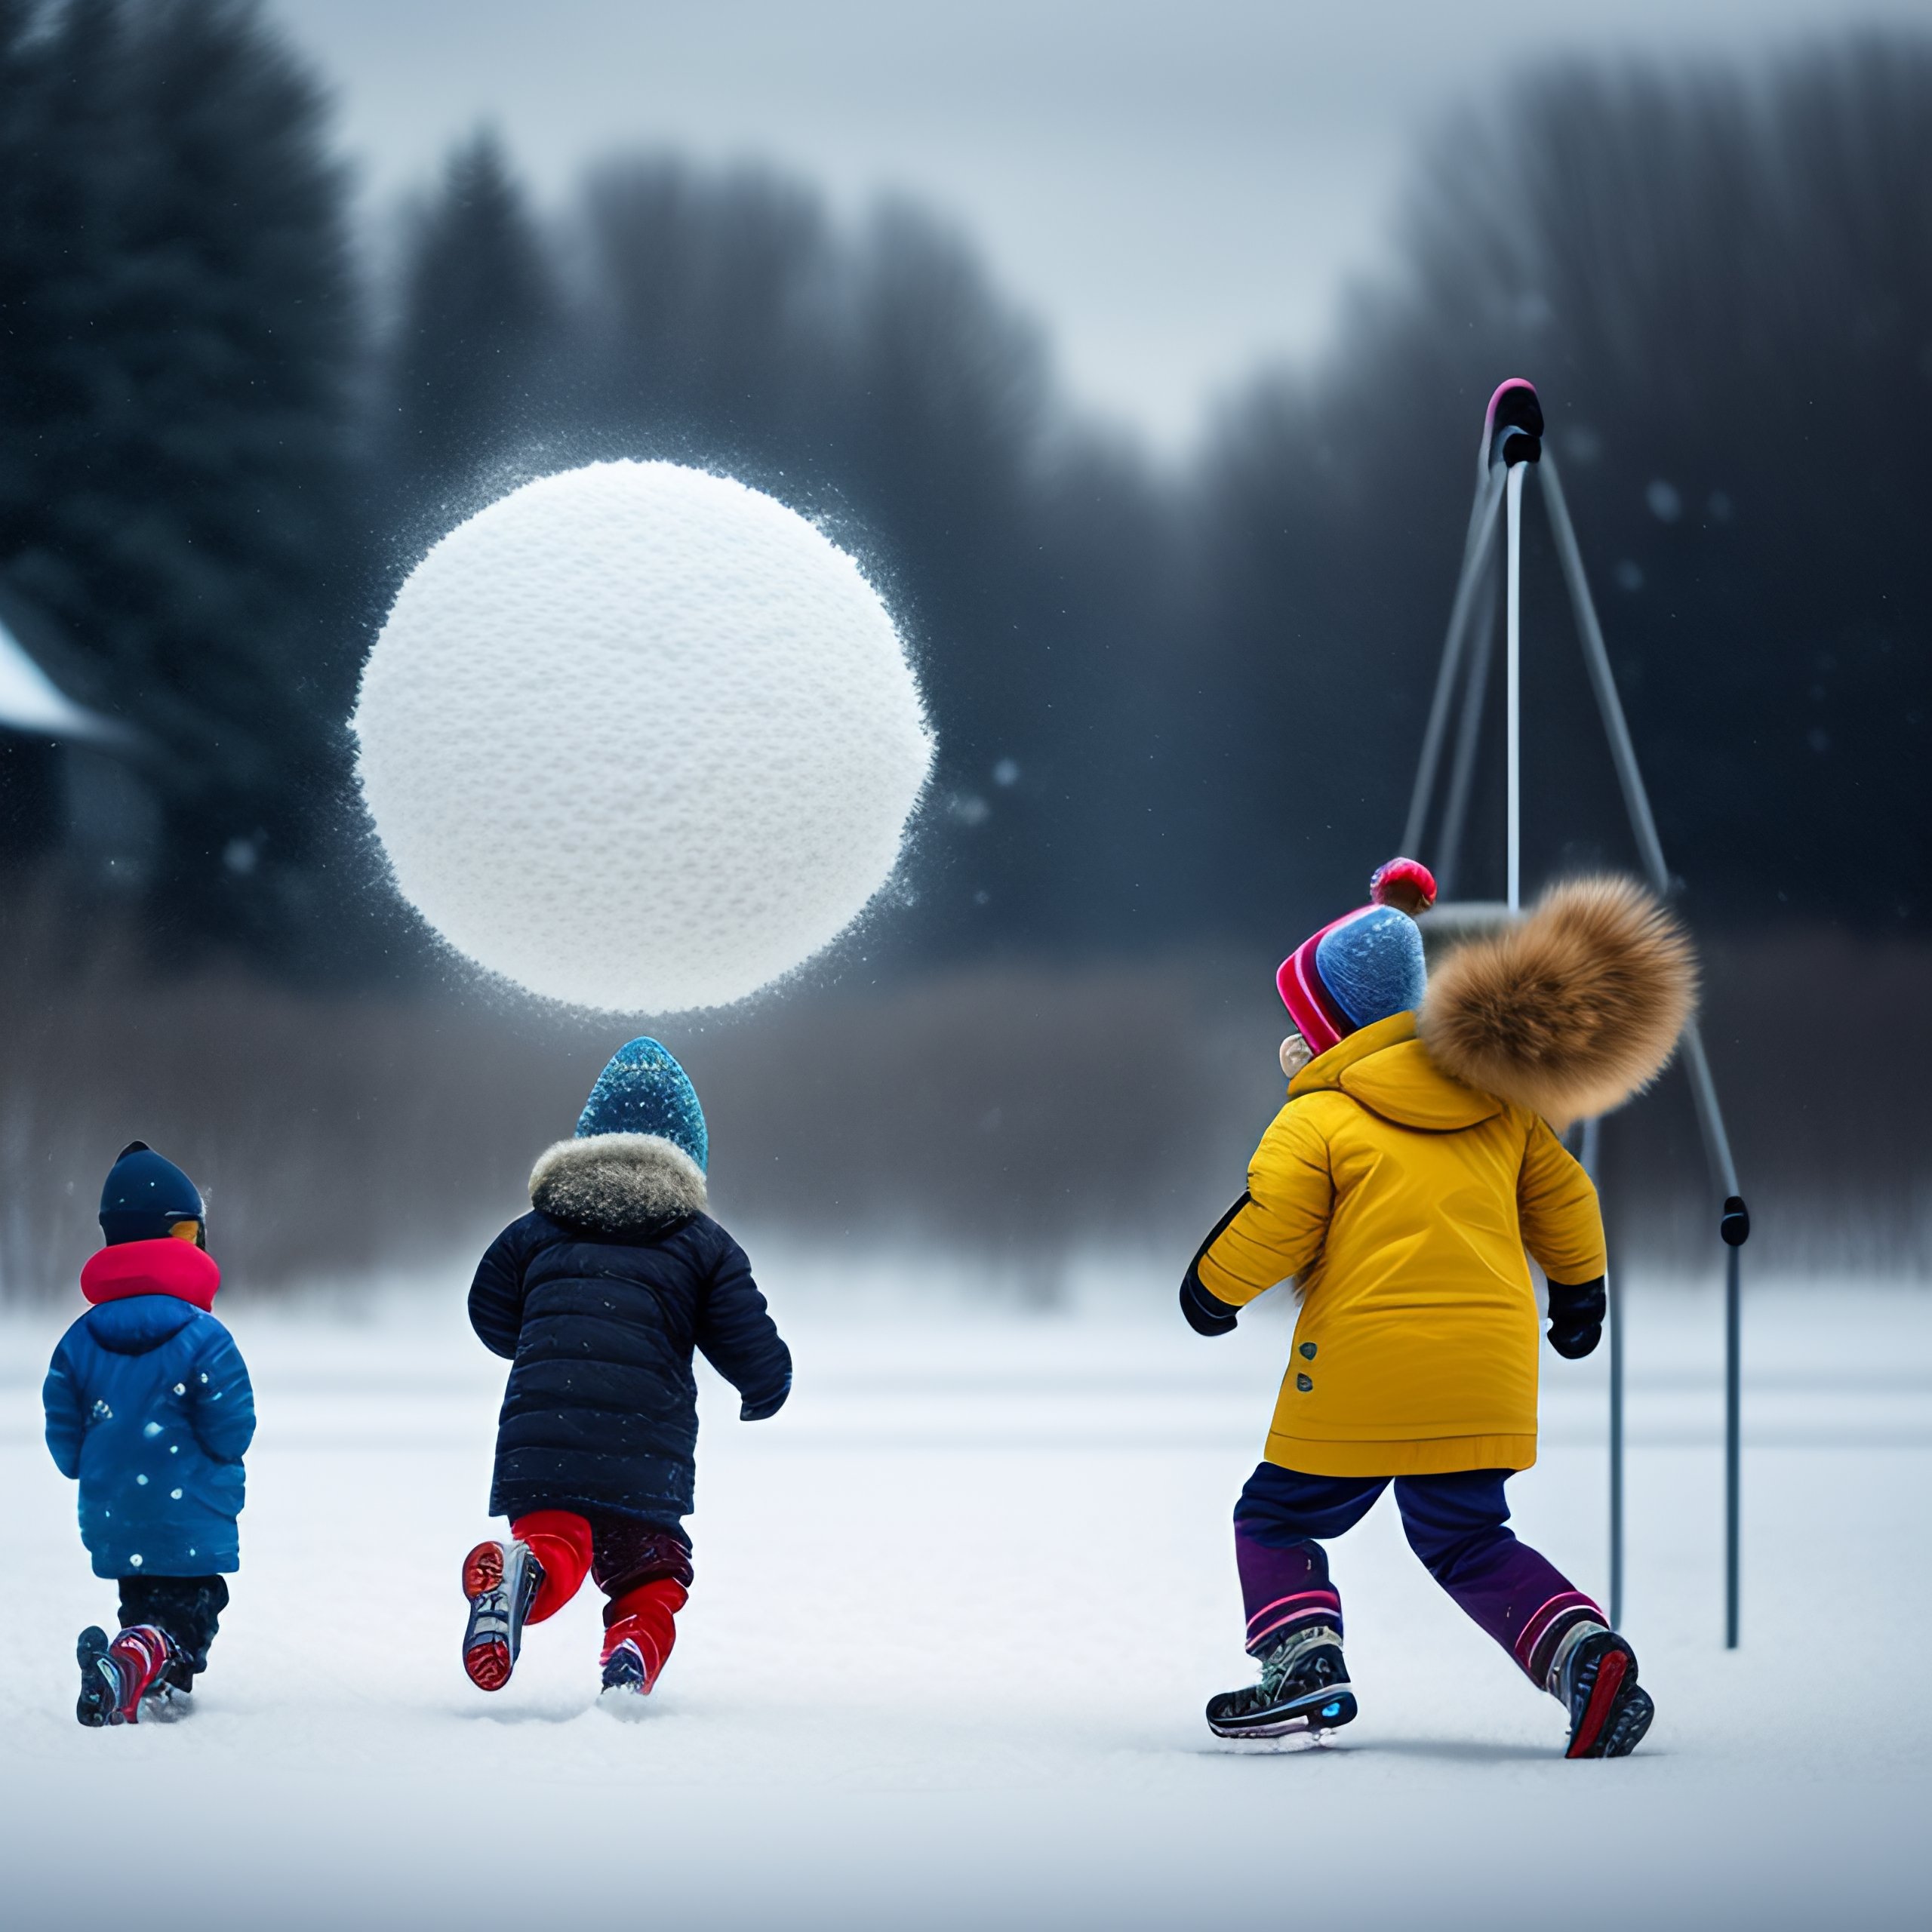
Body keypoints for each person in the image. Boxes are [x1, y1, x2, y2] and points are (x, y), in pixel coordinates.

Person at [1180, 858, 1694, 1758]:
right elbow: (1567, 1202)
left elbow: (1275, 1220)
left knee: (1275, 1517)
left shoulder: (1320, 1116)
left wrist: (1211, 1291)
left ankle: (1304, 1659)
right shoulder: (1503, 1104)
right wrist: (1577, 1298)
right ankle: (1584, 1654)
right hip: (1483, 1373)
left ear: (1326, 1027)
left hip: (1362, 1370)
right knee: (1465, 1537)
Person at [461, 1037, 791, 1708]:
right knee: (650, 1574)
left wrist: (539, 1345)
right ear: (689, 1154)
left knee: (558, 1542)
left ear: (588, 1141)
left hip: (541, 1439)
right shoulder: (700, 1242)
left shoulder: (535, 1229)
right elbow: (747, 1340)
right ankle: (631, 1651)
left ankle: (521, 1575)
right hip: (644, 1450)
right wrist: (765, 1390)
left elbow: (488, 1311)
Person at [44, 1143, 256, 1727]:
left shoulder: (78, 1339)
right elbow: (233, 1427)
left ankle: (128, 1667)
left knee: (140, 1601)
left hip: (117, 1511)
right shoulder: (204, 1336)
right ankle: (147, 1661)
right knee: (189, 1616)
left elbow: (64, 1435)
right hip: (190, 1511)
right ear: (178, 1240)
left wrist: (94, 1465)